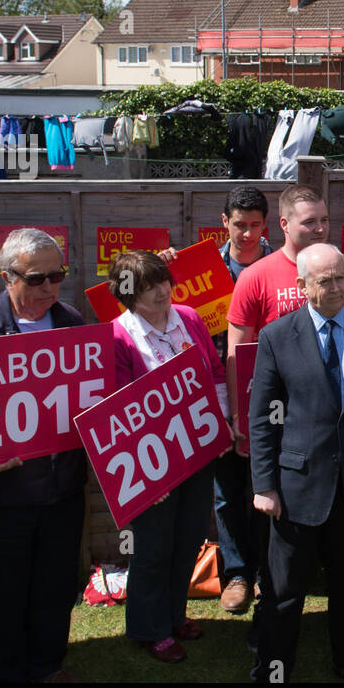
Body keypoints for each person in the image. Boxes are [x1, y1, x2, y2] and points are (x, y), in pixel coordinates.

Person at [248, 244, 344, 682]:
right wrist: (265, 484)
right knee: (283, 591)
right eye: (324, 281)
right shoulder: (278, 336)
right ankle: (274, 667)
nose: (336, 288)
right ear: (301, 286)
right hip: (296, 489)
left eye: (340, 278)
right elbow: (262, 417)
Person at [224, 184, 344, 616]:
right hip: (281, 427)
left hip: (343, 430)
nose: (321, 228)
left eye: (325, 220)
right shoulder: (257, 276)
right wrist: (239, 414)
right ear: (285, 224)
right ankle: (263, 598)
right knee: (274, 524)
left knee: (343, 540)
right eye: (310, 221)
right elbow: (238, 350)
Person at [0, 228, 86, 683]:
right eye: (37, 278)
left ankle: (47, 666)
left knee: (54, 586)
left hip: (62, 489)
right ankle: (5, 673)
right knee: (2, 593)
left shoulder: (73, 323)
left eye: (57, 276)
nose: (49, 287)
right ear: (7, 277)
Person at [108, 250, 230, 663]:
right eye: (148, 288)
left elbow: (214, 371)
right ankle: (149, 627)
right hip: (152, 460)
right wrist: (141, 472)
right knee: (154, 546)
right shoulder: (117, 335)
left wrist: (222, 422)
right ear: (127, 294)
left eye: (163, 281)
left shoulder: (189, 318)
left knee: (188, 538)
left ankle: (175, 615)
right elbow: (118, 408)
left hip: (197, 448)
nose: (162, 291)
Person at [211, 186, 273, 616]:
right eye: (239, 225)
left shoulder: (281, 266)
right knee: (228, 488)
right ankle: (236, 574)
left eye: (254, 225)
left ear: (266, 225)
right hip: (216, 393)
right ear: (224, 222)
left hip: (273, 395)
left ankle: (271, 572)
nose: (247, 233)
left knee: (272, 486)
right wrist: (163, 269)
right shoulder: (203, 270)